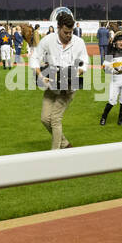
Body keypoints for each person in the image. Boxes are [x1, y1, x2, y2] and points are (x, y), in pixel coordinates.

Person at [31, 10, 88, 150]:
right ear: (58, 28)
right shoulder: (48, 40)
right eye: (65, 32)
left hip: (68, 87)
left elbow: (85, 63)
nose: (69, 35)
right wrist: (40, 75)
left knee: (55, 119)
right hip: (51, 86)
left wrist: (75, 73)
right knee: (45, 119)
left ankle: (55, 154)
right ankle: (65, 144)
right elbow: (35, 57)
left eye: (70, 32)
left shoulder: (79, 42)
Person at [100, 31, 122, 125]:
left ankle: (120, 119)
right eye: (119, 41)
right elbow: (105, 67)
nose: (121, 43)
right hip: (115, 81)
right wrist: (114, 70)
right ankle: (103, 117)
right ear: (115, 42)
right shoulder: (111, 53)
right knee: (112, 101)